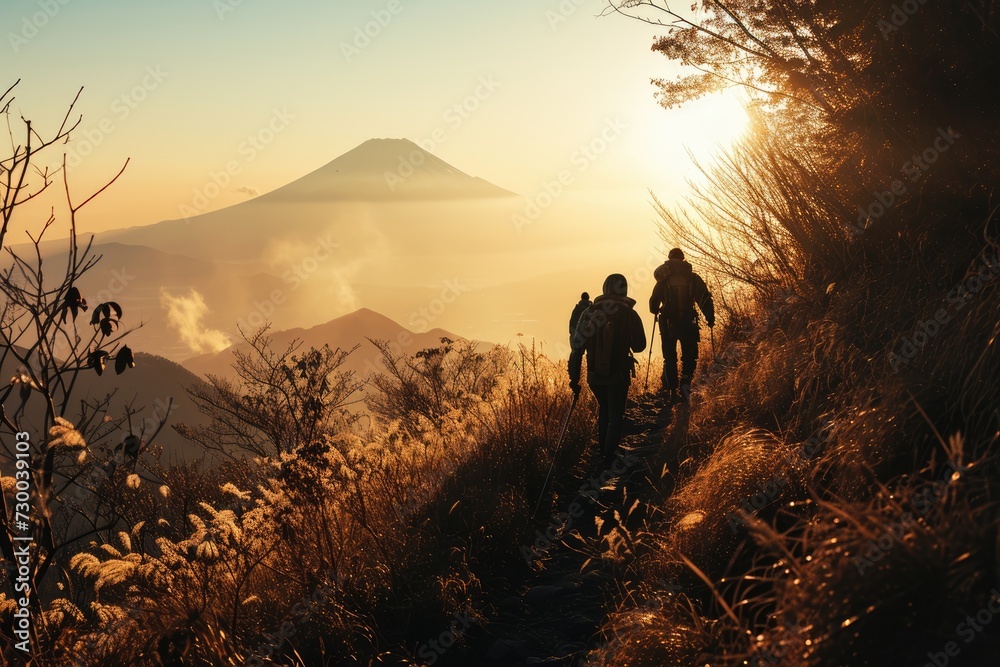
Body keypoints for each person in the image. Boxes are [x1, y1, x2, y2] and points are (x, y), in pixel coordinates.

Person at [569, 274, 646, 466]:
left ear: (604, 288)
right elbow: (640, 345)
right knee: (615, 415)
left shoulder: (589, 312)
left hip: (595, 375)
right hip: (618, 374)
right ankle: (609, 456)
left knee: (603, 409)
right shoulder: (629, 313)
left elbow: (577, 347)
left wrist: (574, 379)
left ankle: (603, 451)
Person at [649, 248, 715, 404]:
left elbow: (653, 304)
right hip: (688, 323)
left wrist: (656, 310)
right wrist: (710, 318)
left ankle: (672, 390)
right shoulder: (692, 278)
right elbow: (704, 299)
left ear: (669, 259)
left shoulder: (663, 279)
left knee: (670, 357)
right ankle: (685, 384)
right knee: (689, 356)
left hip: (668, 324)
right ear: (683, 259)